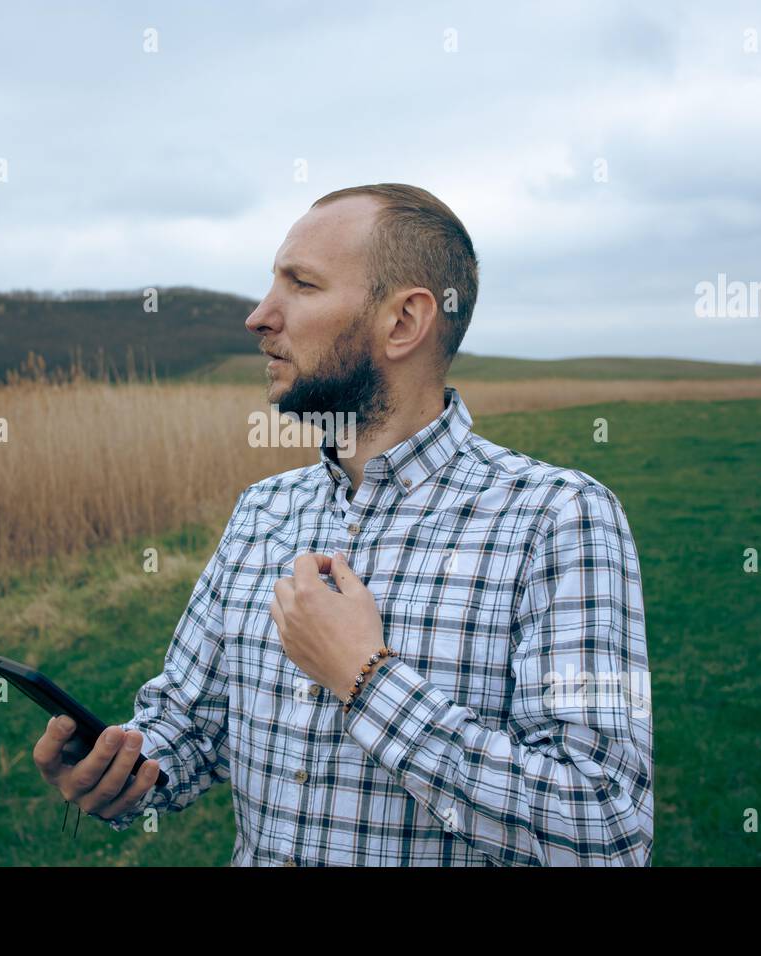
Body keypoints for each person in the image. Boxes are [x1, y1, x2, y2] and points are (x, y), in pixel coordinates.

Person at [34, 183, 652, 866]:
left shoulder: (556, 518)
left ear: (403, 322)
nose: (259, 317)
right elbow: (190, 721)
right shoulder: (264, 510)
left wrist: (365, 678)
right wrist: (128, 767)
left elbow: (605, 829)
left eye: (300, 285)